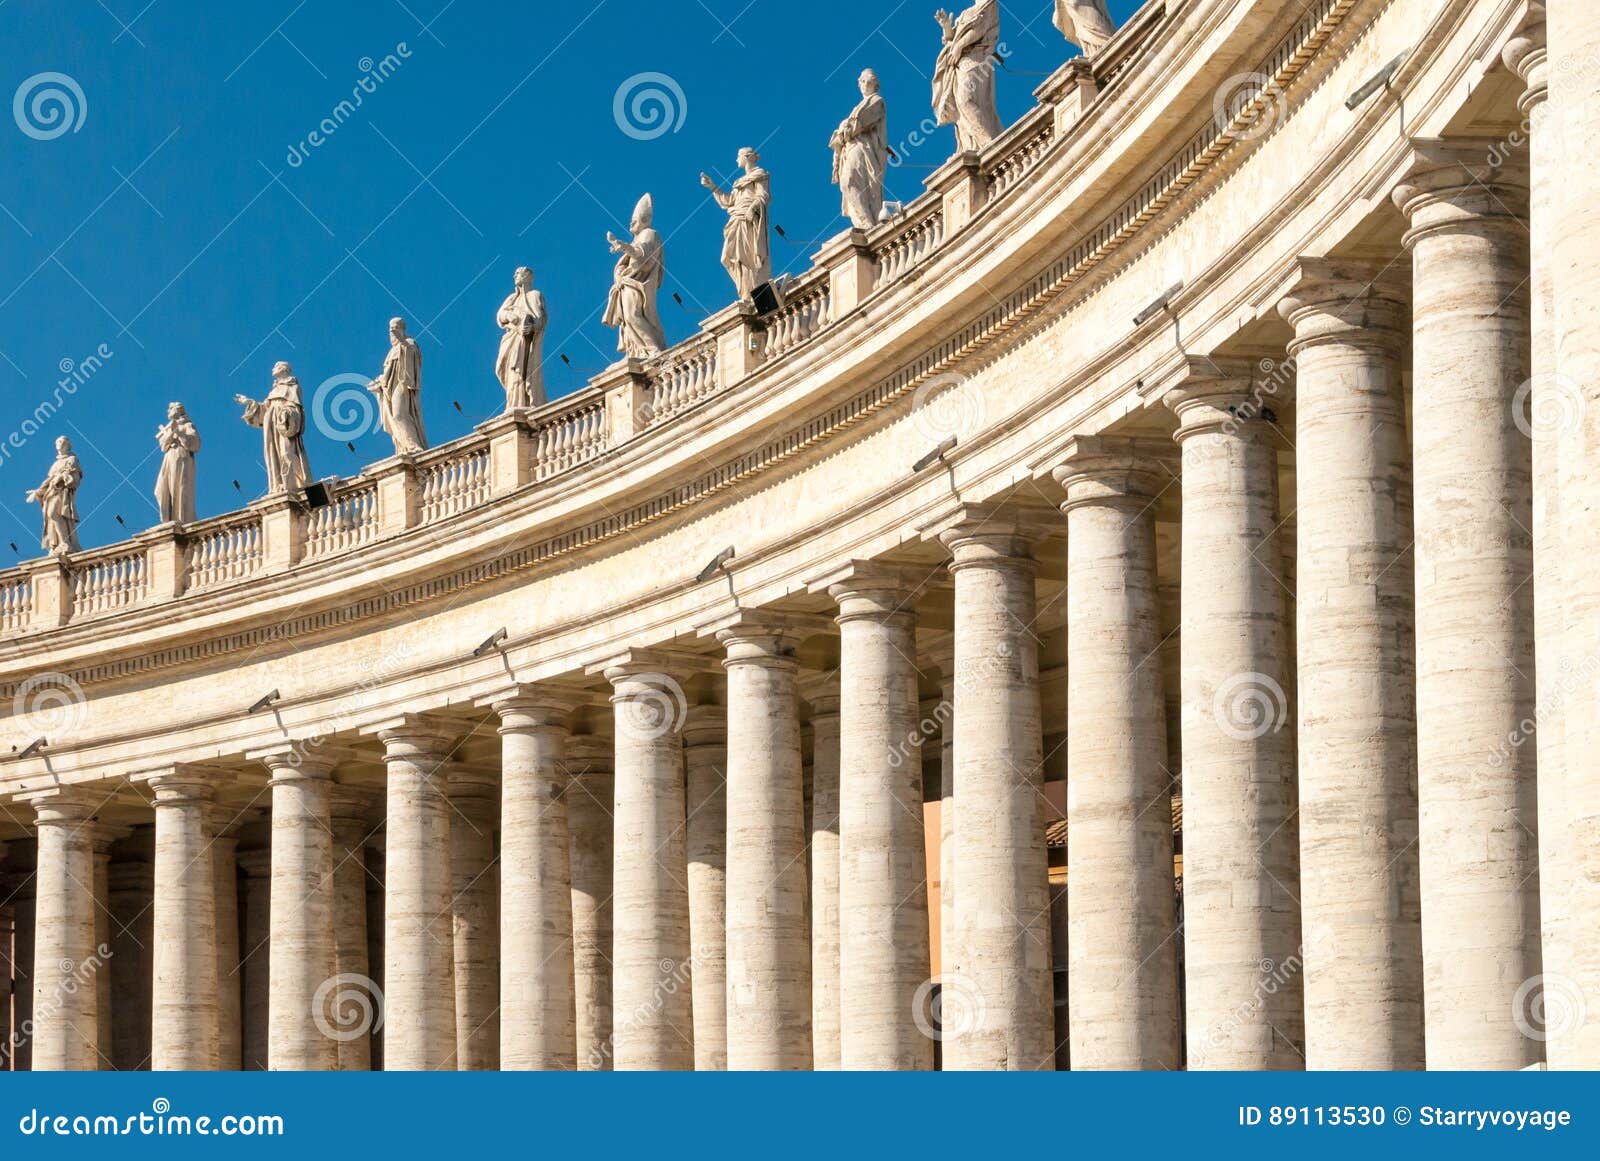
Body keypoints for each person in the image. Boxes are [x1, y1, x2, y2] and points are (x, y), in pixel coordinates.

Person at [932, 1, 1004, 152]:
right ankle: (971, 146)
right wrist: (946, 26)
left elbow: (980, 28)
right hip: (960, 62)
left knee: (965, 100)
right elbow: (952, 37)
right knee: (958, 106)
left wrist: (959, 47)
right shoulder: (967, 12)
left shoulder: (989, 4)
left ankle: (989, 143)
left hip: (976, 58)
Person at [701, 148, 772, 300]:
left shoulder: (760, 175)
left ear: (746, 157)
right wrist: (712, 186)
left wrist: (752, 209)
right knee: (728, 257)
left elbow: (763, 196)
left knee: (746, 256)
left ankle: (751, 290)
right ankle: (745, 289)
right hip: (736, 218)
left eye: (738, 157)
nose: (736, 160)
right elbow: (728, 201)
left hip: (747, 218)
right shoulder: (739, 182)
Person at [603, 193, 667, 359]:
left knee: (632, 315)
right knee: (628, 319)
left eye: (635, 219)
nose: (631, 223)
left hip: (638, 284)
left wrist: (623, 246)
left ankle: (653, 349)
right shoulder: (638, 238)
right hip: (627, 283)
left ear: (645, 219)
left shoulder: (650, 234)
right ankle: (636, 351)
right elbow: (627, 262)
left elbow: (642, 254)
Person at [234, 362, 313, 496]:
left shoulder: (293, 386)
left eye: (275, 367)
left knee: (287, 452)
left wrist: (286, 414)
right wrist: (249, 402)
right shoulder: (274, 390)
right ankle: (279, 485)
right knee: (273, 455)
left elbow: (296, 407)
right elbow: (264, 409)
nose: (272, 369)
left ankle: (294, 485)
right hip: (271, 425)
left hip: (284, 423)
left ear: (283, 369)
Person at [832, 69, 890, 230]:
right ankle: (864, 222)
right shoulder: (859, 106)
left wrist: (844, 128)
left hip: (864, 148)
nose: (865, 84)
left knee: (849, 180)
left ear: (875, 85)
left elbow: (860, 123)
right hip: (853, 147)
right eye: (862, 81)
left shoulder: (877, 101)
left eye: (869, 81)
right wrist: (844, 129)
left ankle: (867, 223)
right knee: (849, 183)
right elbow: (854, 124)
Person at [369, 317, 427, 455]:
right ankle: (403, 447)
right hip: (391, 387)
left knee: (400, 414)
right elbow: (388, 373)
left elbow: (412, 355)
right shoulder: (391, 352)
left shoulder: (409, 343)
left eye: (395, 328)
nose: (392, 332)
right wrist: (379, 383)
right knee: (395, 416)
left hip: (403, 384)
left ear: (402, 329)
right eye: (390, 330)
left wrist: (402, 341)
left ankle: (413, 446)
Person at [495, 266, 548, 411]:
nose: (514, 276)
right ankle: (513, 403)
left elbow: (540, 319)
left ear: (527, 276)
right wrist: (509, 315)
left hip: (523, 341)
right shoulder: (512, 298)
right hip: (510, 338)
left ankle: (519, 403)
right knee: (506, 370)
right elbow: (500, 315)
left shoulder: (535, 295)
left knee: (519, 371)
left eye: (518, 273)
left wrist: (531, 327)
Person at [25, 435, 83, 555]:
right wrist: (38, 491)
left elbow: (75, 479)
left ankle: (64, 542)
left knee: (53, 513)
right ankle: (60, 543)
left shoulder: (72, 460)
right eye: (57, 441)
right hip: (51, 494)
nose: (59, 443)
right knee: (51, 516)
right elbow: (49, 481)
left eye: (62, 441)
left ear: (68, 445)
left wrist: (63, 476)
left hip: (62, 493)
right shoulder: (55, 464)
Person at [154, 401, 201, 523]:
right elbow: (163, 446)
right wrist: (170, 434)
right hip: (169, 457)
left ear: (178, 410)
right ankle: (168, 519)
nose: (168, 411)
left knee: (179, 487)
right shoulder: (168, 427)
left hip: (181, 456)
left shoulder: (187, 425)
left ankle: (180, 519)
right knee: (160, 489)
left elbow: (196, 444)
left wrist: (179, 434)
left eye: (170, 408)